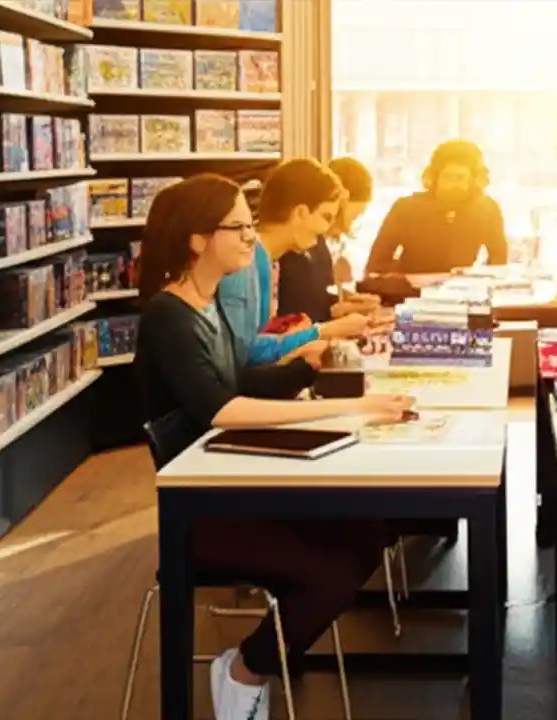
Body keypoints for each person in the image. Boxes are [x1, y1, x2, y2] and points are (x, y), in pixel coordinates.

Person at [135, 173, 414, 720]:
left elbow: (238, 379)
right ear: (198, 240)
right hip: (202, 510)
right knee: (330, 569)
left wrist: (307, 363)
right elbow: (221, 409)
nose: (249, 237)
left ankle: (257, 661)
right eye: (237, 227)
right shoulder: (168, 314)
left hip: (235, 481)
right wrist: (348, 408)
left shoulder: (204, 302)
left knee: (370, 529)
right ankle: (244, 670)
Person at [218, 158, 372, 369]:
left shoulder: (267, 261)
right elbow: (246, 351)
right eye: (325, 217)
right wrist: (325, 330)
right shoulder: (244, 264)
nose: (326, 229)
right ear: (300, 213)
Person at [364, 139, 508, 274]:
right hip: (410, 293)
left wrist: (476, 280)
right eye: (447, 177)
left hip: (463, 293)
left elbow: (499, 262)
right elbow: (376, 265)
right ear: (434, 177)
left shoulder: (487, 209)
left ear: (474, 180)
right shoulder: (406, 208)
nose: (453, 185)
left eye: (460, 177)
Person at [276, 156, 380, 323]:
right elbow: (296, 312)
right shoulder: (289, 248)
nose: (348, 226)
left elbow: (319, 298)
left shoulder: (318, 245)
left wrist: (347, 301)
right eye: (352, 217)